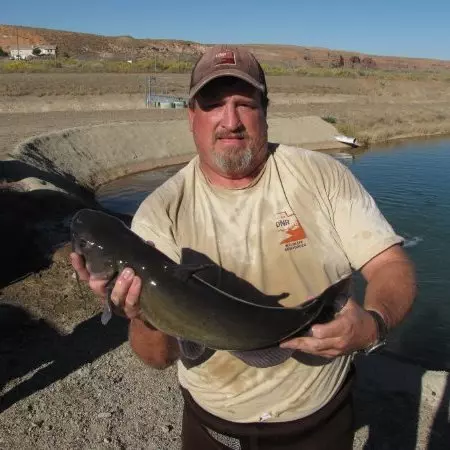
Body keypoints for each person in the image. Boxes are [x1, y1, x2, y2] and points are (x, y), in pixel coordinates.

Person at [71, 45, 417, 449]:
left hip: (321, 424)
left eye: (244, 103)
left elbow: (392, 265)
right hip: (214, 431)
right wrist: (142, 313)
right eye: (213, 104)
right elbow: (156, 358)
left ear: (264, 110)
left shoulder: (321, 176)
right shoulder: (160, 212)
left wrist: (373, 324)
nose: (230, 120)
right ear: (191, 117)